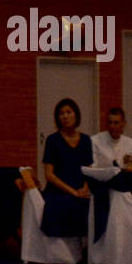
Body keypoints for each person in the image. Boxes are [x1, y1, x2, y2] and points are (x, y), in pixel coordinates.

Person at [40, 97, 93, 238]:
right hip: (58, 189)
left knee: (95, 205)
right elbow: (49, 175)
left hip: (81, 188)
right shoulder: (52, 140)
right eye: (61, 113)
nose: (65, 116)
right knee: (65, 204)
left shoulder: (86, 140)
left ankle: (87, 249)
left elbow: (89, 170)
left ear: (76, 114)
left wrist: (85, 188)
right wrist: (73, 192)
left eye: (68, 112)